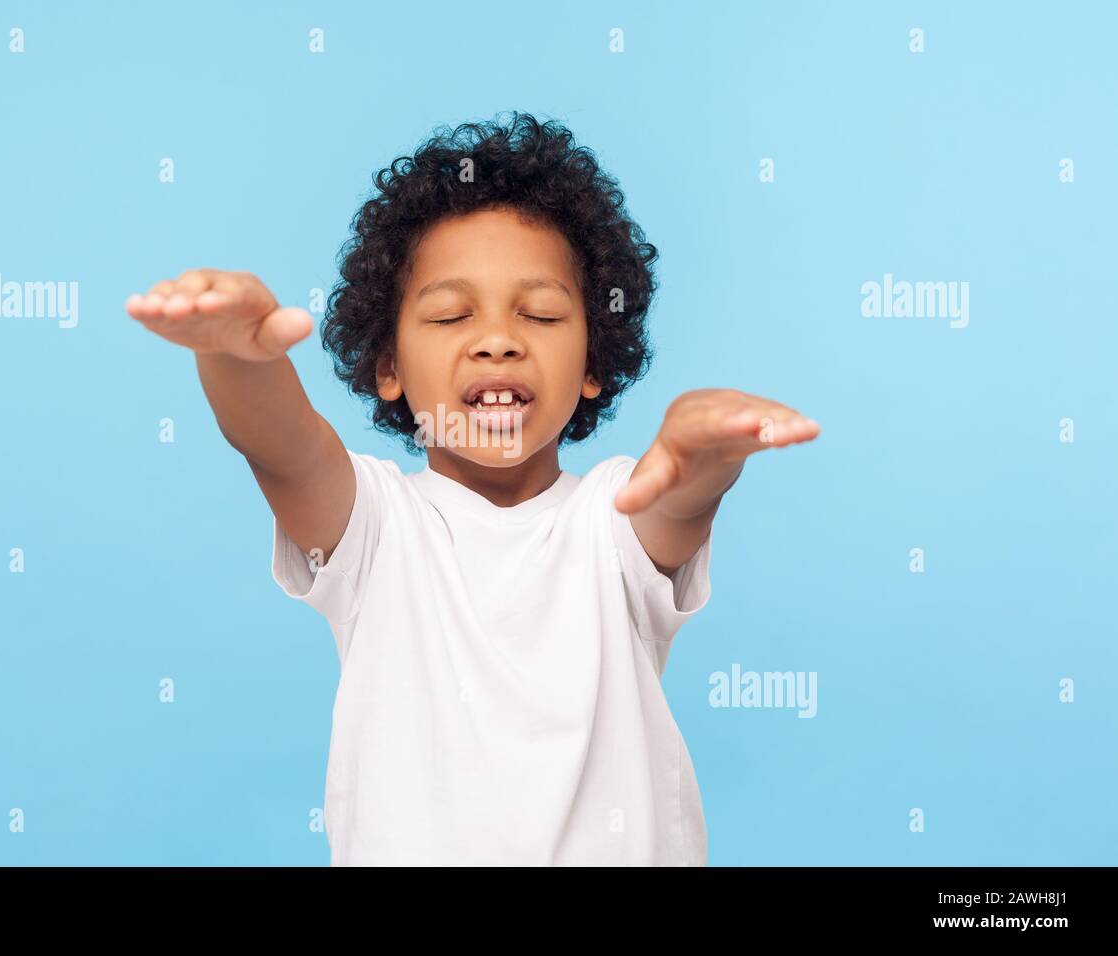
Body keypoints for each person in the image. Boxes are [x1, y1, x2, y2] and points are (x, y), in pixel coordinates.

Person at [125, 112, 819, 866]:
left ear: (594, 360)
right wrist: (239, 358)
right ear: (387, 365)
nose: (497, 338)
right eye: (453, 314)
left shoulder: (613, 519)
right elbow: (284, 449)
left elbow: (677, 495)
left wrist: (701, 448)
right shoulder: (377, 527)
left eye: (543, 314)